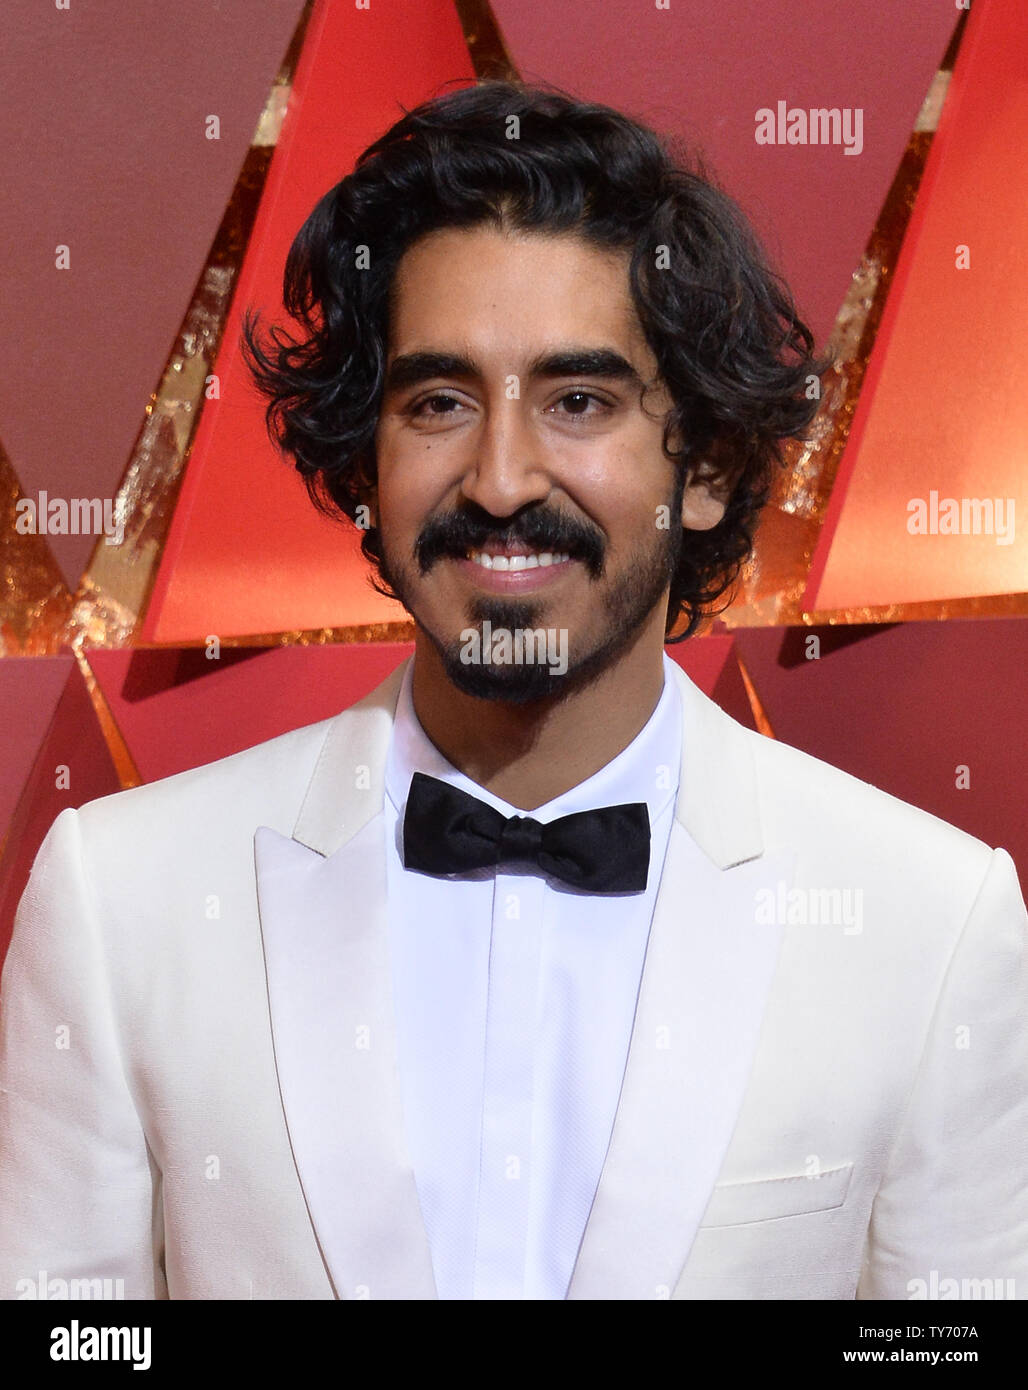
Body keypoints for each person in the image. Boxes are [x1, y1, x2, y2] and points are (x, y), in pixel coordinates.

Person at [1, 81, 1025, 1302]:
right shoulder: (121, 898)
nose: (495, 478)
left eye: (576, 401)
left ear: (701, 467)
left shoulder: (930, 918)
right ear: (364, 464)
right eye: (437, 403)